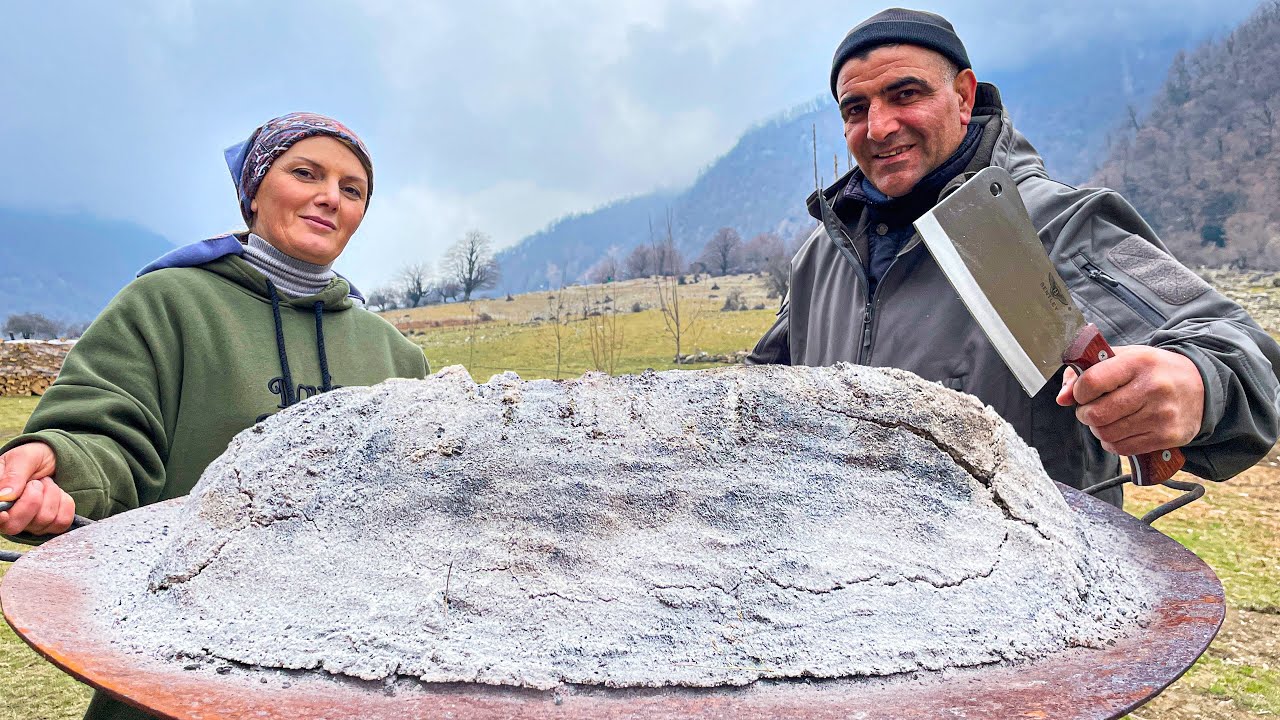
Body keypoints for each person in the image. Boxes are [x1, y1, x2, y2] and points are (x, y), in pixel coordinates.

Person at [748, 8, 1280, 507]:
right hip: (854, 586)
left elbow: (1245, 359)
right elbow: (758, 396)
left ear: (963, 96)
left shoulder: (1050, 226)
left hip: (1032, 587)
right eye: (856, 109)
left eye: (904, 94)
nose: (880, 127)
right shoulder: (823, 256)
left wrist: (1193, 386)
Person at [0, 113, 430, 718]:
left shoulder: (396, 355)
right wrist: (60, 467)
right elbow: (108, 438)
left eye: (351, 189)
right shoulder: (167, 304)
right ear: (254, 190)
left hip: (352, 674)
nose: (329, 197)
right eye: (304, 172)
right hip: (179, 666)